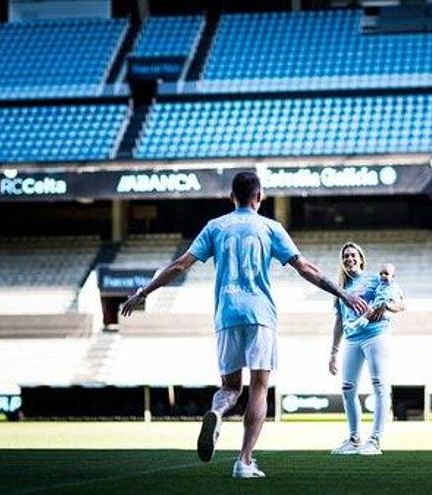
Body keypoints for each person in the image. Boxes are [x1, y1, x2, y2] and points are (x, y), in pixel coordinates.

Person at [121, 172, 366, 479]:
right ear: (259, 196)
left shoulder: (215, 227)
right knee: (258, 389)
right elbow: (305, 268)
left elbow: (179, 265)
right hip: (260, 315)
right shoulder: (270, 228)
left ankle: (217, 412)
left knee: (230, 387)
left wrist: (142, 293)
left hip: (226, 314)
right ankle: (244, 461)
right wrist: (343, 293)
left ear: (231, 197)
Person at [328, 245, 405, 456]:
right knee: (347, 387)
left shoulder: (376, 278)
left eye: (353, 255)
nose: (349, 258)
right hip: (352, 340)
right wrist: (333, 352)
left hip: (376, 335)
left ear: (361, 259)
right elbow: (339, 320)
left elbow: (401, 303)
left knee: (379, 385)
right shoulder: (340, 288)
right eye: (345, 256)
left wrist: (386, 307)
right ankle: (354, 439)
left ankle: (375, 440)